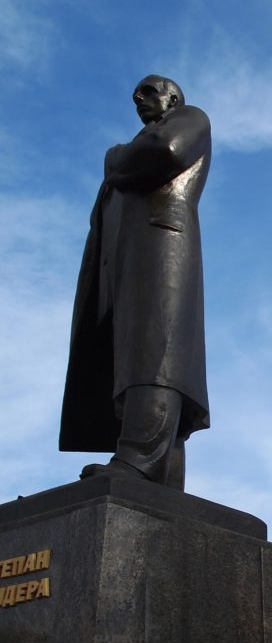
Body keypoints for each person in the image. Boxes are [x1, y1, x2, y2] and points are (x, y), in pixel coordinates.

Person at [60, 74, 211, 490]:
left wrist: (114, 159)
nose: (139, 100)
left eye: (148, 92)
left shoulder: (191, 118)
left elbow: (164, 151)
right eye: (135, 96)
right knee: (132, 360)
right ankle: (164, 477)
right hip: (127, 266)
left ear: (174, 97)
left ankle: (139, 459)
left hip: (162, 251)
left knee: (155, 353)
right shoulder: (141, 139)